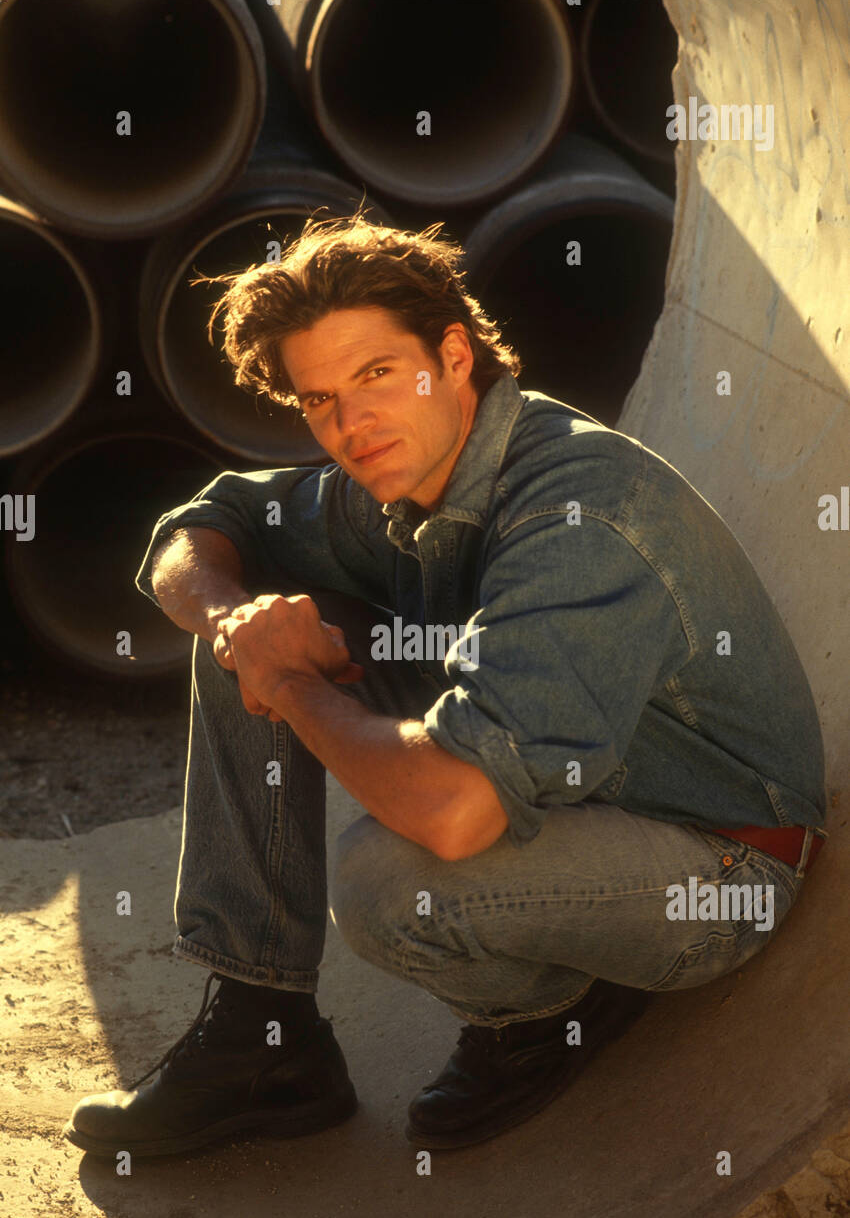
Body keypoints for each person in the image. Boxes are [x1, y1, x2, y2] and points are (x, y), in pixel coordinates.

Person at [64, 213, 826, 1158]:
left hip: (715, 862)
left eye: (378, 375)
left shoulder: (578, 512)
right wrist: (233, 625)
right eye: (320, 399)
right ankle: (266, 1042)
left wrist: (299, 691)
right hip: (584, 789)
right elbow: (209, 519)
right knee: (252, 632)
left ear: (454, 357)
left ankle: (547, 1010)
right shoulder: (408, 471)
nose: (350, 424)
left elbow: (457, 816)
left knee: (391, 882)